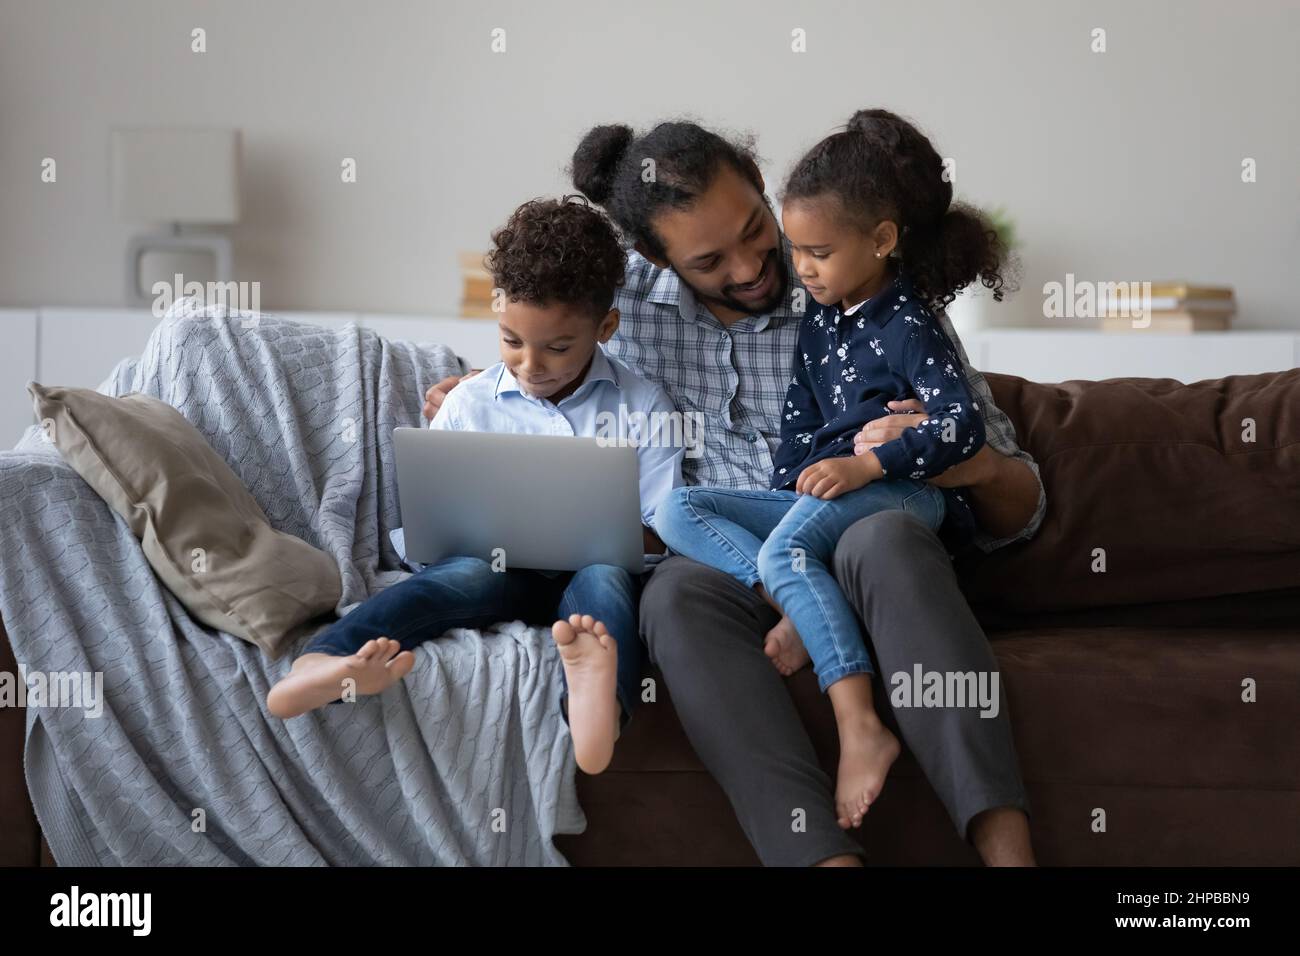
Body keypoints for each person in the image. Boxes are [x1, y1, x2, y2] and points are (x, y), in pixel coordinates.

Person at [426, 115, 1046, 866]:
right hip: (728, 556)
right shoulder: (623, 314)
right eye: (711, 259)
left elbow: (1019, 506)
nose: (754, 265)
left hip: (859, 530)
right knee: (674, 597)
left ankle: (1008, 856)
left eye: (757, 229)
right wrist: (486, 392)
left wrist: (956, 461)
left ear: (762, 185)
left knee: (882, 538)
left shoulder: (848, 274)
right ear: (652, 257)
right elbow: (540, 351)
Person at [652, 107, 1005, 829]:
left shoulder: (907, 319)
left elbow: (964, 429)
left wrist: (869, 463)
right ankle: (797, 597)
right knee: (676, 509)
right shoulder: (823, 314)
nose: (777, 269)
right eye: (712, 261)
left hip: (900, 496)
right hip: (827, 502)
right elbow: (801, 428)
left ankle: (860, 728)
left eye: (793, 245)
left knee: (791, 547)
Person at [269, 196, 684, 777]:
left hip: (594, 569)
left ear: (606, 327)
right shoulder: (468, 401)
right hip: (497, 569)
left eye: (557, 347)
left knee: (605, 585)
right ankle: (321, 662)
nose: (530, 365)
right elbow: (433, 532)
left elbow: (663, 530)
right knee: (460, 575)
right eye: (512, 340)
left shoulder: (642, 404)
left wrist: (609, 534)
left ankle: (599, 708)